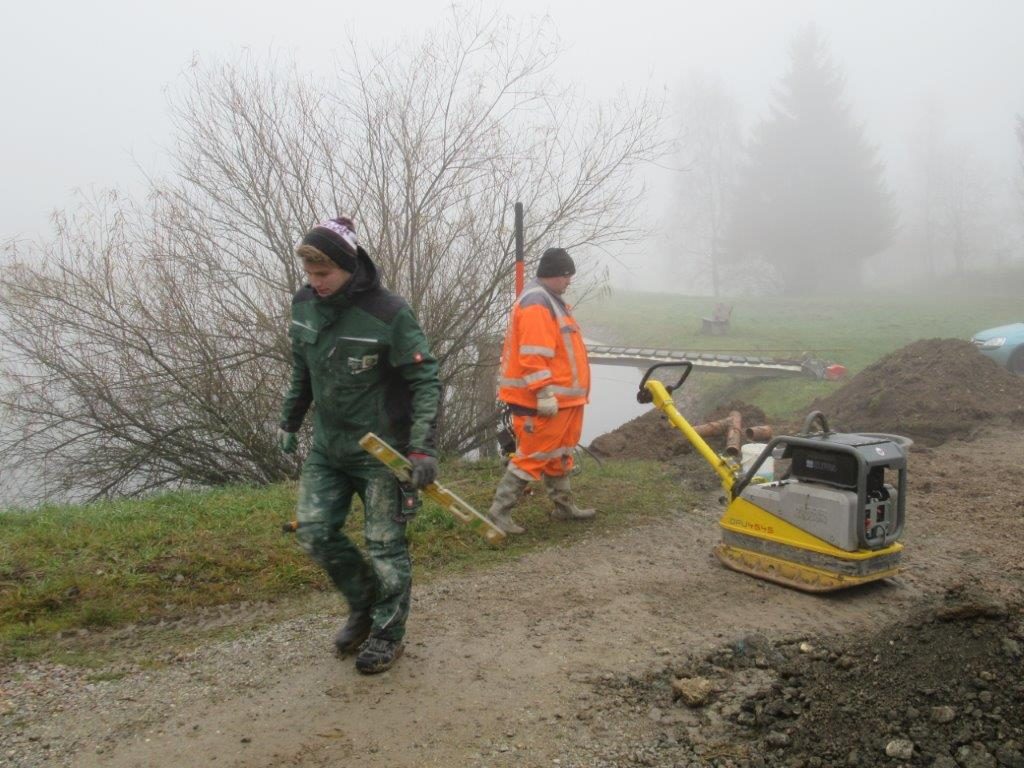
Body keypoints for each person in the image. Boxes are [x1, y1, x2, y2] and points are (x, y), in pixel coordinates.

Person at [277, 216, 441, 675]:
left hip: (382, 453)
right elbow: (302, 368)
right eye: (309, 274)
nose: (315, 282)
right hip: (329, 448)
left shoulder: (389, 313)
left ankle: (388, 633)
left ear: (349, 266)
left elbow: (425, 380)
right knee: (314, 532)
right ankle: (364, 604)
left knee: (385, 546)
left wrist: (422, 447)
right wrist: (290, 419)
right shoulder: (304, 306)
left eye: (324, 273)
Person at [487, 247, 596, 534]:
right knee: (532, 456)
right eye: (567, 275)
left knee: (559, 454)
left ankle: (564, 506)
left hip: (564, 400)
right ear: (554, 274)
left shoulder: (551, 301)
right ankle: (499, 514)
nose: (569, 281)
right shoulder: (538, 303)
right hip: (541, 401)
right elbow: (534, 355)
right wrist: (543, 392)